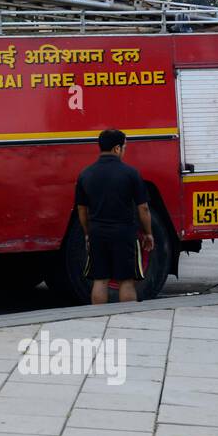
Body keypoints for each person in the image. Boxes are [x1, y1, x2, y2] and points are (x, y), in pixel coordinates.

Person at [74, 128, 155, 305]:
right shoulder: (130, 173)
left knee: (99, 279)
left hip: (97, 232)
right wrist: (148, 233)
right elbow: (143, 208)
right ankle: (126, 318)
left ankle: (99, 319)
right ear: (117, 149)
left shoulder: (85, 174)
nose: (124, 151)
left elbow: (82, 209)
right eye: (124, 147)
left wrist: (88, 232)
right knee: (126, 280)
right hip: (124, 232)